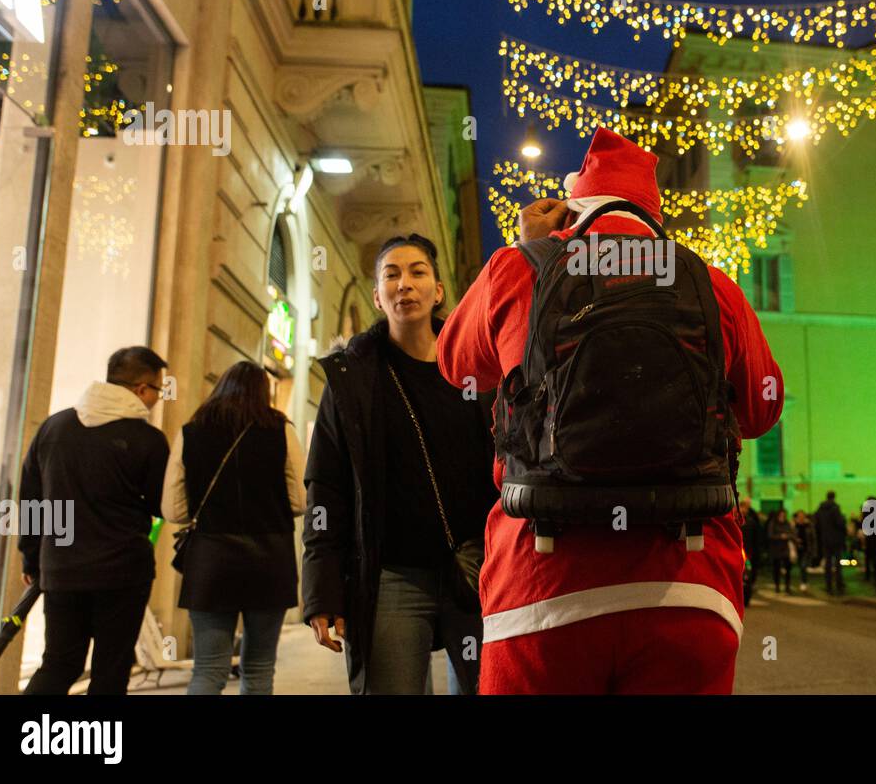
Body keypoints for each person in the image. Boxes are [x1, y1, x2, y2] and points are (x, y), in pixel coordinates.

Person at [436, 126, 783, 694]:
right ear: (655, 218)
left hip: (541, 591)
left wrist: (524, 248)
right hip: (690, 586)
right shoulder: (710, 284)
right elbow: (762, 409)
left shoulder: (521, 268)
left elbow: (458, 365)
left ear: (572, 211)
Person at [302, 234, 497, 694]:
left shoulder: (478, 367)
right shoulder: (352, 379)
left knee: (491, 687)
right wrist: (322, 589)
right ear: (377, 296)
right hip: (392, 574)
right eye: (391, 274)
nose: (404, 284)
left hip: (479, 568)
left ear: (438, 291)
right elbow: (326, 487)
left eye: (417, 272)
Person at [19, 347, 170, 695]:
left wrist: (31, 557)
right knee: (110, 672)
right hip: (122, 573)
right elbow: (165, 505)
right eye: (158, 391)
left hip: (61, 569)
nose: (156, 400)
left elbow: (31, 500)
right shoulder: (147, 439)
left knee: (58, 665)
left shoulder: (53, 428)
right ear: (141, 389)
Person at [161, 361, 306, 694]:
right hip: (269, 560)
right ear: (263, 392)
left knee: (208, 670)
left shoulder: (191, 431)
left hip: (210, 560)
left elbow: (173, 508)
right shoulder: (280, 430)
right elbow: (300, 500)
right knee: (258, 669)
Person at [814, 491, 847, 595]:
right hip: (836, 539)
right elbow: (839, 523)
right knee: (838, 563)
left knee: (828, 563)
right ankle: (839, 583)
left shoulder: (820, 509)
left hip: (825, 539)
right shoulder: (835, 508)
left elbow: (817, 524)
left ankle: (828, 584)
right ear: (834, 497)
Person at [766, 509, 799, 594]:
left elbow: (792, 534)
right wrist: (780, 536)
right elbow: (770, 535)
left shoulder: (787, 524)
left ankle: (787, 586)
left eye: (784, 515)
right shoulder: (773, 524)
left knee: (788, 568)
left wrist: (788, 536)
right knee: (776, 569)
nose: (782, 517)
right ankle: (777, 586)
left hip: (786, 549)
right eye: (781, 515)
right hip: (776, 549)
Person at [739, 497, 764, 607]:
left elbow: (756, 539)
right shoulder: (734, 521)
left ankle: (746, 598)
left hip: (748, 554)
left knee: (748, 577)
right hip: (738, 553)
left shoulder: (751, 522)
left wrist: (756, 554)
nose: (743, 510)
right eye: (742, 507)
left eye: (745, 507)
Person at [793, 509, 816, 592]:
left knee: (803, 565)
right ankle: (804, 580)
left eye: (802, 516)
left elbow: (813, 538)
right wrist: (796, 540)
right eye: (799, 516)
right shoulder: (795, 525)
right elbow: (792, 535)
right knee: (801, 566)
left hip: (807, 548)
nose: (801, 518)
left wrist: (814, 549)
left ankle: (804, 582)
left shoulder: (809, 525)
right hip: (798, 549)